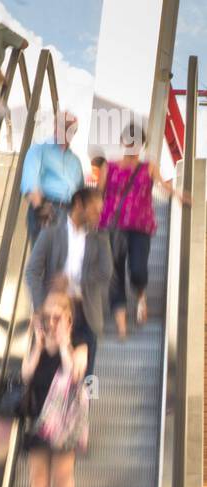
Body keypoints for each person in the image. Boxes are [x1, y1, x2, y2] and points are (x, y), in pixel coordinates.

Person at [100, 121, 191, 338]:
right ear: (122, 142)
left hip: (141, 227)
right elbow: (99, 195)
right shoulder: (109, 166)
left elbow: (162, 184)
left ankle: (141, 295)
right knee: (115, 273)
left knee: (138, 269)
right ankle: (121, 321)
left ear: (142, 144)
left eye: (136, 141)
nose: (132, 144)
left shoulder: (148, 167)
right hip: (113, 227)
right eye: (128, 140)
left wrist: (178, 195)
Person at [21, 289, 88, 487]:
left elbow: (73, 373)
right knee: (38, 479)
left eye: (57, 317)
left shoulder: (78, 347)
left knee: (63, 477)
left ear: (68, 320)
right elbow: (26, 375)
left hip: (65, 421)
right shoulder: (35, 343)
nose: (51, 322)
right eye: (47, 317)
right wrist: (39, 346)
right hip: (39, 419)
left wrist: (62, 344)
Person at [25, 187, 113, 374]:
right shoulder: (50, 233)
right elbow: (32, 271)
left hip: (86, 313)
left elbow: (106, 273)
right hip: (55, 314)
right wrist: (41, 307)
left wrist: (72, 280)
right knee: (51, 373)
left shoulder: (100, 238)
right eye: (95, 210)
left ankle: (86, 402)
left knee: (86, 377)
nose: (99, 215)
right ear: (80, 204)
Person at [21, 111, 84, 245]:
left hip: (69, 213)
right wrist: (40, 209)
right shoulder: (38, 150)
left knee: (64, 262)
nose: (63, 129)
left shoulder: (76, 161)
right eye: (61, 125)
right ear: (54, 125)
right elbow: (30, 184)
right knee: (42, 260)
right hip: (46, 207)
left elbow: (80, 193)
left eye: (68, 127)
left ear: (74, 132)